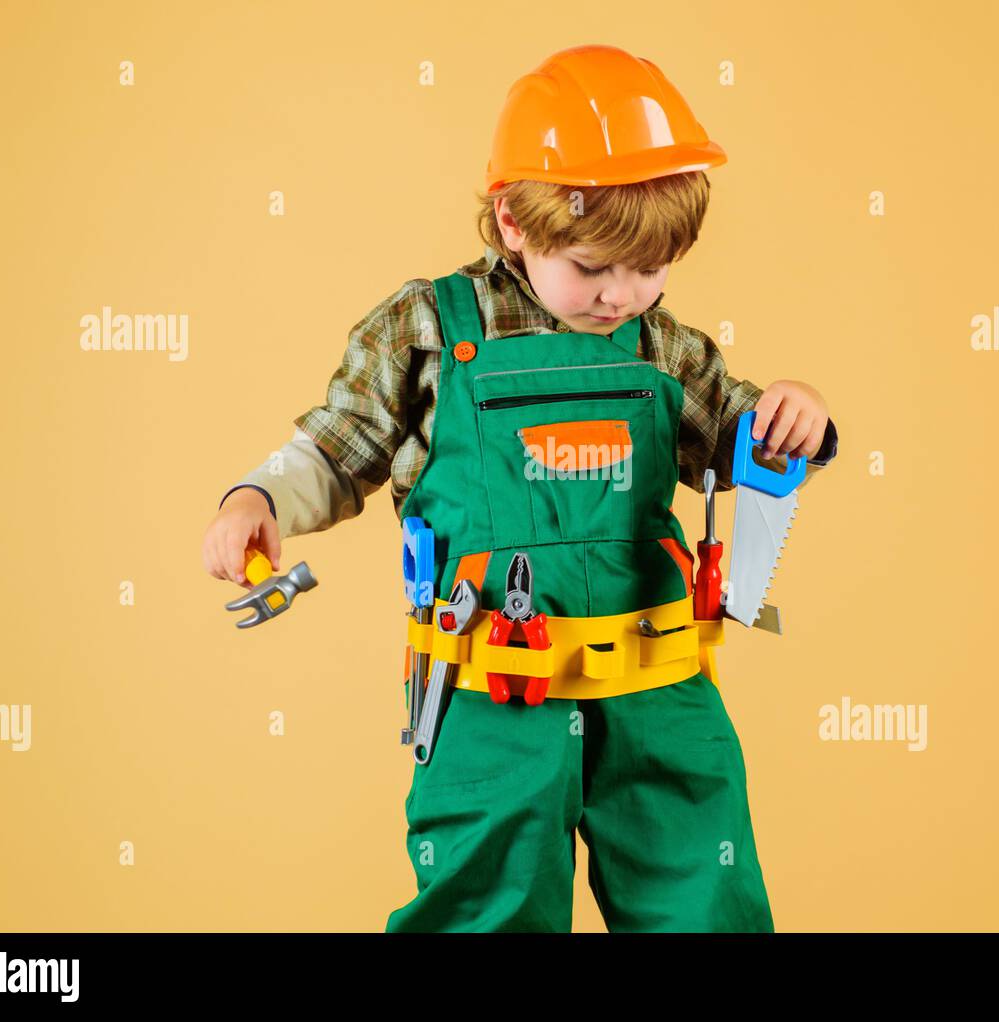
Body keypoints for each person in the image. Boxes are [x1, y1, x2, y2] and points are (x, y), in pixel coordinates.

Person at [201, 44, 838, 932]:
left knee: (705, 898)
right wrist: (256, 501)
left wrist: (790, 415)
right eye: (593, 268)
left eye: (650, 269)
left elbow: (741, 437)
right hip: (491, 695)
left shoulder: (662, 347)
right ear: (513, 221)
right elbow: (339, 447)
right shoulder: (427, 326)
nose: (622, 296)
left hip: (658, 694)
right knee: (483, 907)